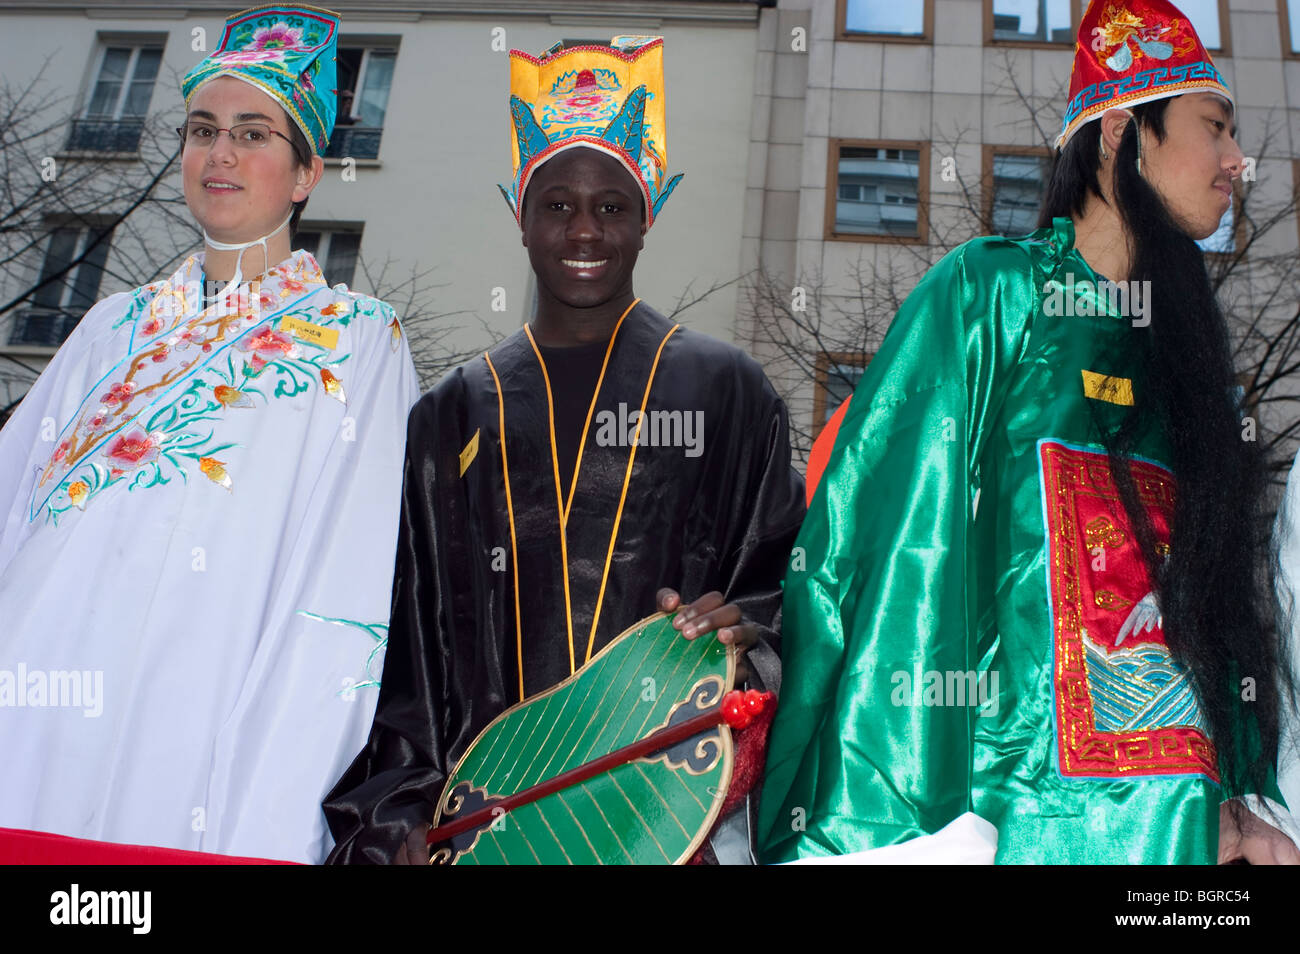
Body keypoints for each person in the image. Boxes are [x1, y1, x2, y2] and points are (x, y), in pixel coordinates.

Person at [760, 0, 1298, 864]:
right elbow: (893, 551)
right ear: (1125, 131)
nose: (1240, 161)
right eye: (1215, 127)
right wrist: (894, 826)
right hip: (1004, 826)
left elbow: (1212, 615)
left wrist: (1235, 793)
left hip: (1178, 838)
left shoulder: (1187, 361)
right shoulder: (990, 295)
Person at [323, 36, 806, 864]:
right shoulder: (451, 412)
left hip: (670, 813)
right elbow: (409, 644)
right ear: (521, 218)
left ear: (646, 217)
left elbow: (788, 592)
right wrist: (399, 811)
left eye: (612, 206)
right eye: (557, 205)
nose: (585, 229)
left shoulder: (729, 390)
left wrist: (745, 640)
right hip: (486, 821)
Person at [0, 4, 420, 863]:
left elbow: (347, 586)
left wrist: (274, 790)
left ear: (304, 174)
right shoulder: (111, 325)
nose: (220, 154)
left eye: (253, 133)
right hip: (29, 723)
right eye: (203, 130)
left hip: (198, 754)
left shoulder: (358, 338)